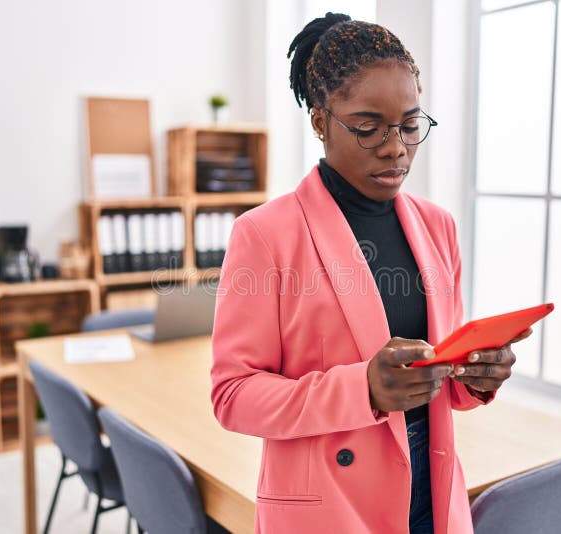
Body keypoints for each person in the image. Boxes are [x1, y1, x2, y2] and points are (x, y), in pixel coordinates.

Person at [210, 12, 531, 534]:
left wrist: (473, 377)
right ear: (320, 122)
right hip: (329, 504)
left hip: (431, 484)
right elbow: (233, 395)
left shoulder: (437, 226)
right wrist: (363, 389)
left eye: (409, 125)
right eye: (367, 128)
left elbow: (438, 377)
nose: (395, 147)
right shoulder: (264, 234)